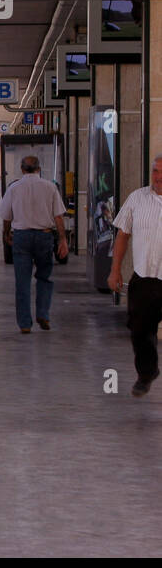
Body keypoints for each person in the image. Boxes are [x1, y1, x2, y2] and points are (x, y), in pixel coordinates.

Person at [108, 155, 162, 396]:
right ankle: (146, 372)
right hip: (144, 278)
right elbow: (122, 235)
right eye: (155, 172)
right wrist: (115, 270)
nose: (158, 177)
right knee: (140, 330)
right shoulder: (137, 199)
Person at [0, 155, 68, 333]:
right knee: (44, 278)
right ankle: (43, 314)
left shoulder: (14, 188)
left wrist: (6, 234)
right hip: (45, 237)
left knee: (22, 282)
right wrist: (62, 239)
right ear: (39, 169)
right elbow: (58, 217)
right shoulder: (50, 187)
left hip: (21, 237)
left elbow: (7, 217)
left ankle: (24, 324)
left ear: (22, 169)